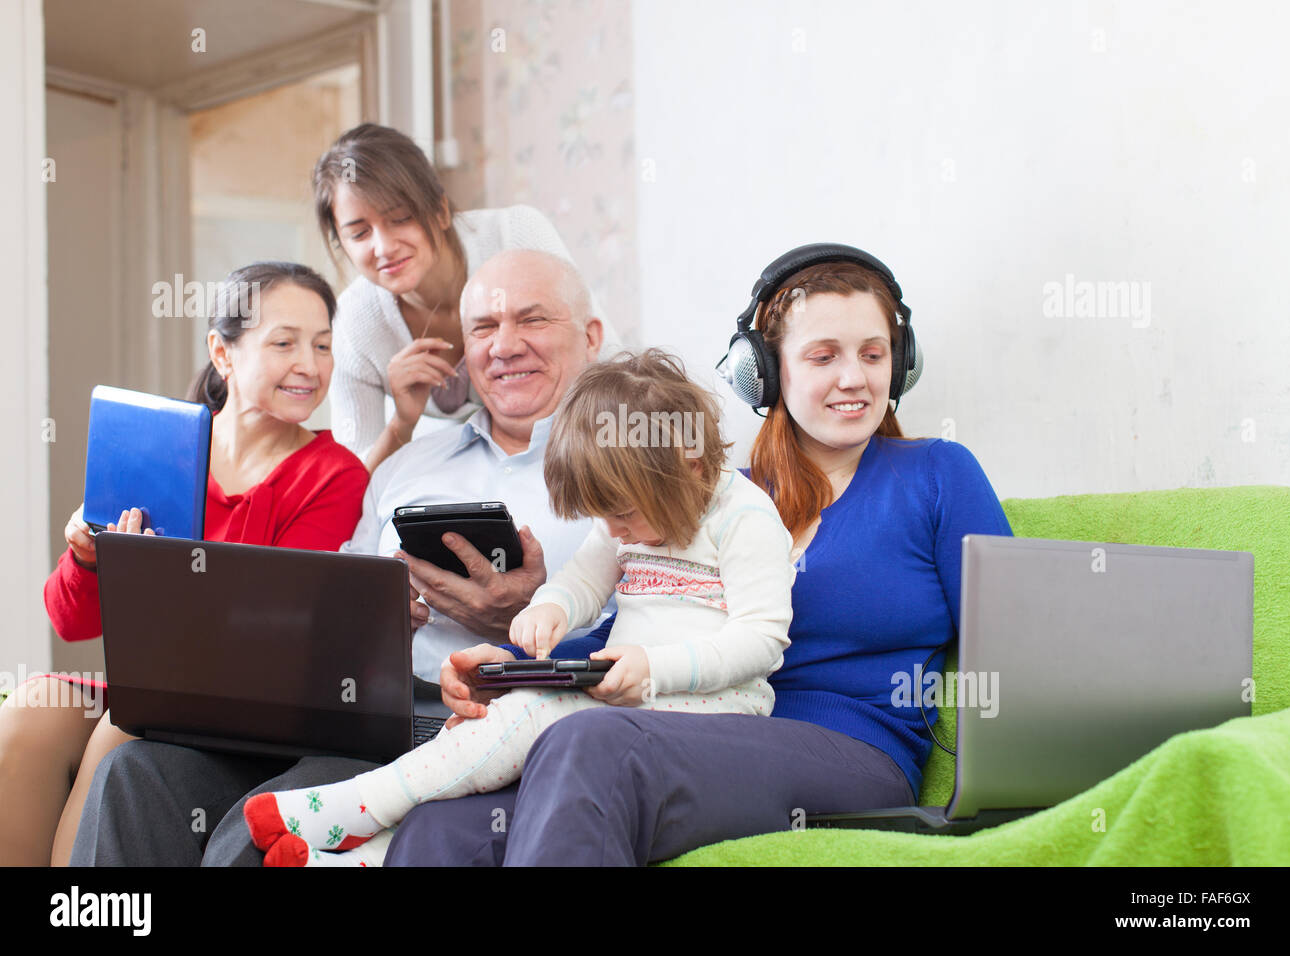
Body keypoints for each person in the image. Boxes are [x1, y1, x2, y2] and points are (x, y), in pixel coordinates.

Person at [382, 246, 1015, 865]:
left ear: (900, 364)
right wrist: (510, 666)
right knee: (447, 822)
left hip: (851, 752)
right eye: (823, 356)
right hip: (687, 730)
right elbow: (624, 629)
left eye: (873, 355)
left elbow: (1018, 648)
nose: (854, 378)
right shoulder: (701, 489)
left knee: (592, 743)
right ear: (764, 373)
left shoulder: (936, 474)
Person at [68, 249, 609, 866]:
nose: (504, 345)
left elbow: (660, 627)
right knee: (134, 776)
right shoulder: (408, 468)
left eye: (532, 320)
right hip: (358, 718)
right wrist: (371, 618)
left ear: (591, 337)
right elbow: (331, 597)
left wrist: (525, 625)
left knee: (257, 832)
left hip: (481, 736)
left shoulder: (624, 474)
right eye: (483, 328)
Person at [242, 350, 795, 865]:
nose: (614, 532)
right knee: (487, 718)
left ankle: (362, 803)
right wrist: (550, 609)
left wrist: (655, 669)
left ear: (690, 465)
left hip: (719, 710)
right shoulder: (630, 518)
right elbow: (582, 579)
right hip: (634, 697)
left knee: (534, 713)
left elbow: (762, 642)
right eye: (602, 517)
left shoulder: (743, 517)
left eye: (622, 515)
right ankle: (369, 855)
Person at [0, 262, 368, 866]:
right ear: (223, 353)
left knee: (127, 723)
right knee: (29, 713)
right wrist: (89, 556)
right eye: (284, 343)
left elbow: (275, 623)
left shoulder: (333, 473)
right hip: (154, 683)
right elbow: (71, 623)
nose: (310, 363)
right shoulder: (154, 446)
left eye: (323, 345)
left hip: (249, 694)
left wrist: (154, 575)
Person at [314, 123, 619, 473]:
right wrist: (401, 423)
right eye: (359, 233)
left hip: (572, 451)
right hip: (461, 473)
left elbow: (609, 362)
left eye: (400, 218)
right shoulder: (354, 324)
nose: (383, 247)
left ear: (442, 211)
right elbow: (353, 483)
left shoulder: (515, 234)